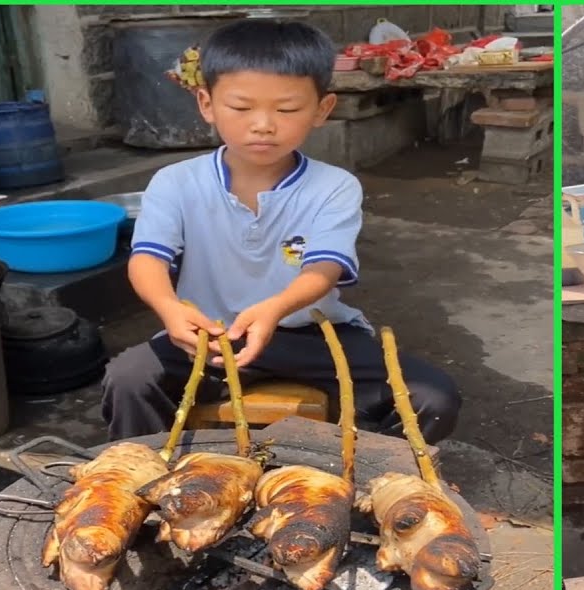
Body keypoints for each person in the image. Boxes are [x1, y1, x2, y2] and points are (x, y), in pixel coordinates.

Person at [102, 19, 460, 443]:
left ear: (322, 110)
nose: (263, 124)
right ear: (206, 103)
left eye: (287, 109)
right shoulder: (174, 182)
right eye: (241, 107)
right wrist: (169, 309)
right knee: (127, 379)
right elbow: (147, 259)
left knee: (433, 399)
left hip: (313, 337)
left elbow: (324, 267)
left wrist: (274, 309)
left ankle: (362, 476)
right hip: (212, 340)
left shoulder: (334, 186)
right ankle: (143, 482)